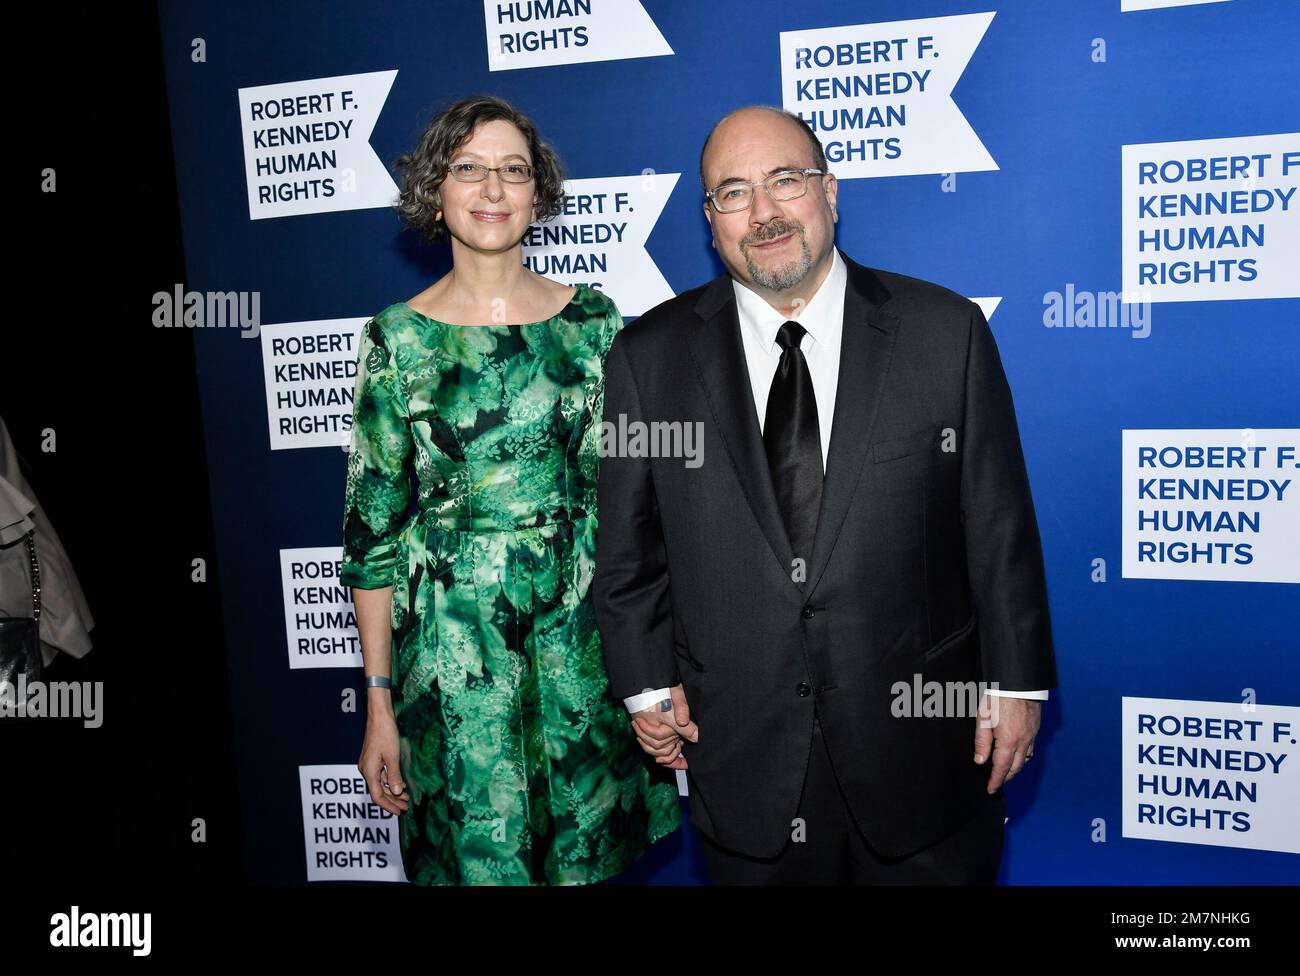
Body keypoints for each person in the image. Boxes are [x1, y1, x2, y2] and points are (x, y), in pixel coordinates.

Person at [593, 105, 1057, 885]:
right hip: (742, 758)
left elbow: (998, 526)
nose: (765, 212)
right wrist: (643, 684)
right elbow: (628, 551)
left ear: (830, 192)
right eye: (733, 193)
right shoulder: (648, 359)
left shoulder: (944, 332)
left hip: (926, 753)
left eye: (786, 181)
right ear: (711, 223)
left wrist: (1016, 683)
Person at [341, 94, 680, 885]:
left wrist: (659, 672)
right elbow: (372, 541)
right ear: (436, 188)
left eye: (513, 171)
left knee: (590, 862)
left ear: (539, 194)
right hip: (455, 665)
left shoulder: (595, 323)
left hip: (585, 653)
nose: (492, 189)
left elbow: (638, 510)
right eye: (469, 168)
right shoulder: (397, 339)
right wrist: (379, 702)